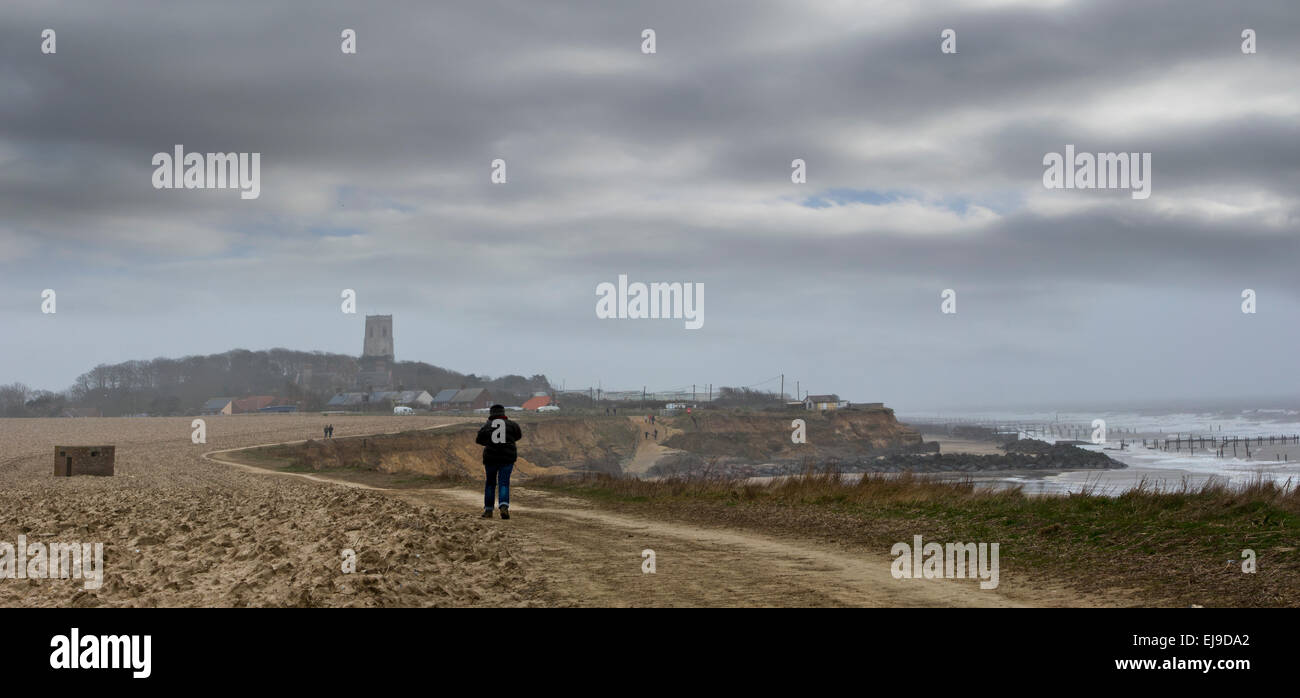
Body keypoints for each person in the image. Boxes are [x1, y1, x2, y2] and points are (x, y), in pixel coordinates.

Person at [475, 404, 522, 519]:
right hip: (507, 459)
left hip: (491, 459)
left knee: (490, 484)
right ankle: (504, 506)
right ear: (503, 413)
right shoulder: (512, 425)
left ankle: (488, 510)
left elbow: (478, 440)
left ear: (491, 414)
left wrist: (489, 442)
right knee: (504, 483)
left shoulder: (486, 426)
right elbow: (518, 436)